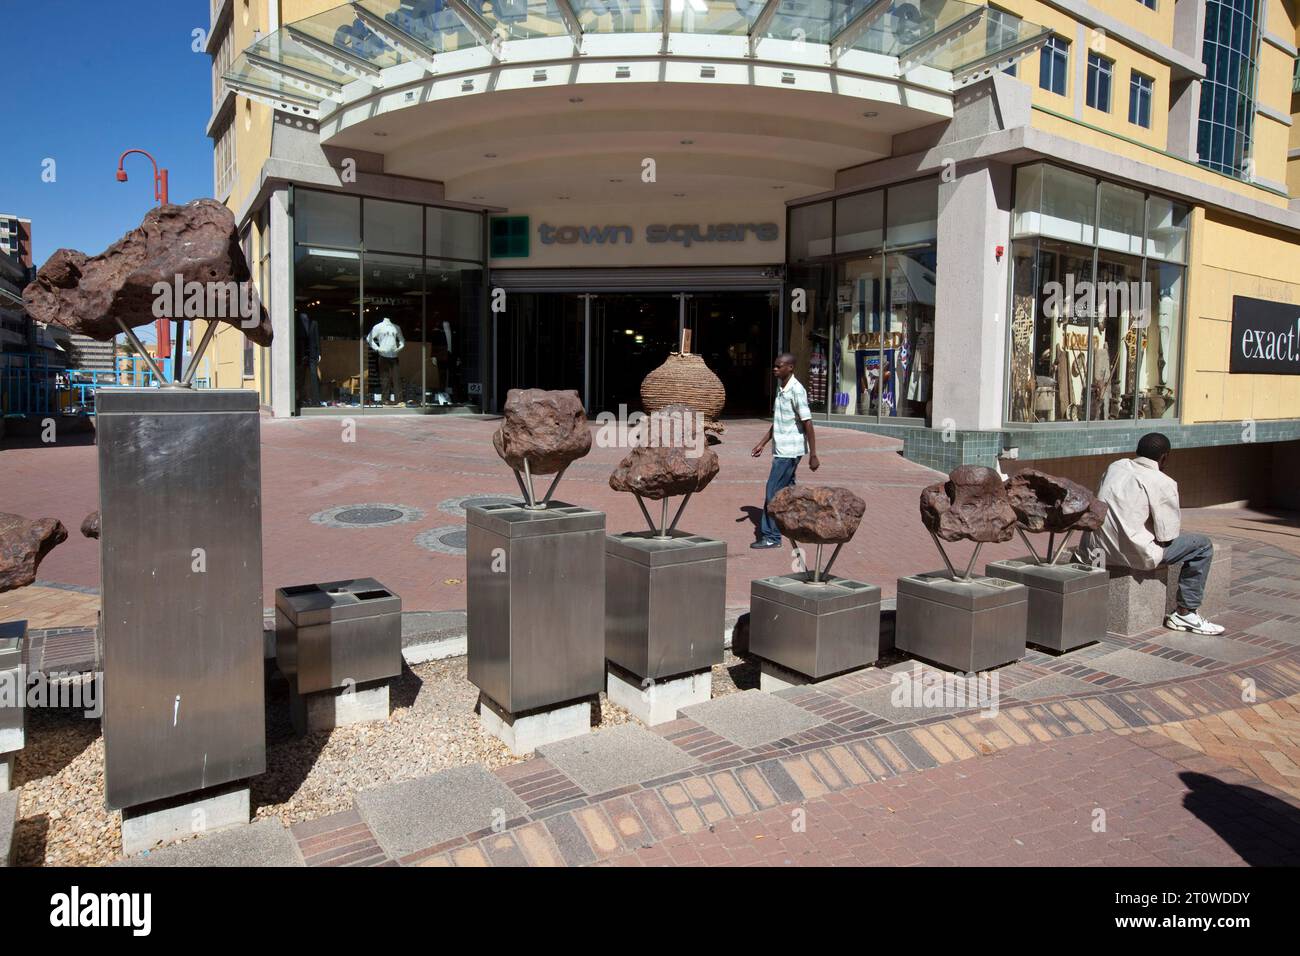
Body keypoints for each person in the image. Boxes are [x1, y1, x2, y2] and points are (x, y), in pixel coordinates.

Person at [1090, 432, 1225, 635]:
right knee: (1202, 545)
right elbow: (1167, 536)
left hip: (1096, 549)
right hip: (1135, 556)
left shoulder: (1114, 467)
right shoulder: (1163, 482)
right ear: (1164, 457)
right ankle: (1185, 613)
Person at [750, 352, 819, 549]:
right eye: (774, 365)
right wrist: (762, 443)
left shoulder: (797, 390)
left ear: (790, 368)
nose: (775, 368)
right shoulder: (782, 388)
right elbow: (779, 421)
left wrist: (813, 454)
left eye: (779, 366)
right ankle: (795, 525)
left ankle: (771, 536)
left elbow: (808, 423)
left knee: (772, 492)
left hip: (789, 453)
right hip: (781, 450)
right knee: (788, 492)